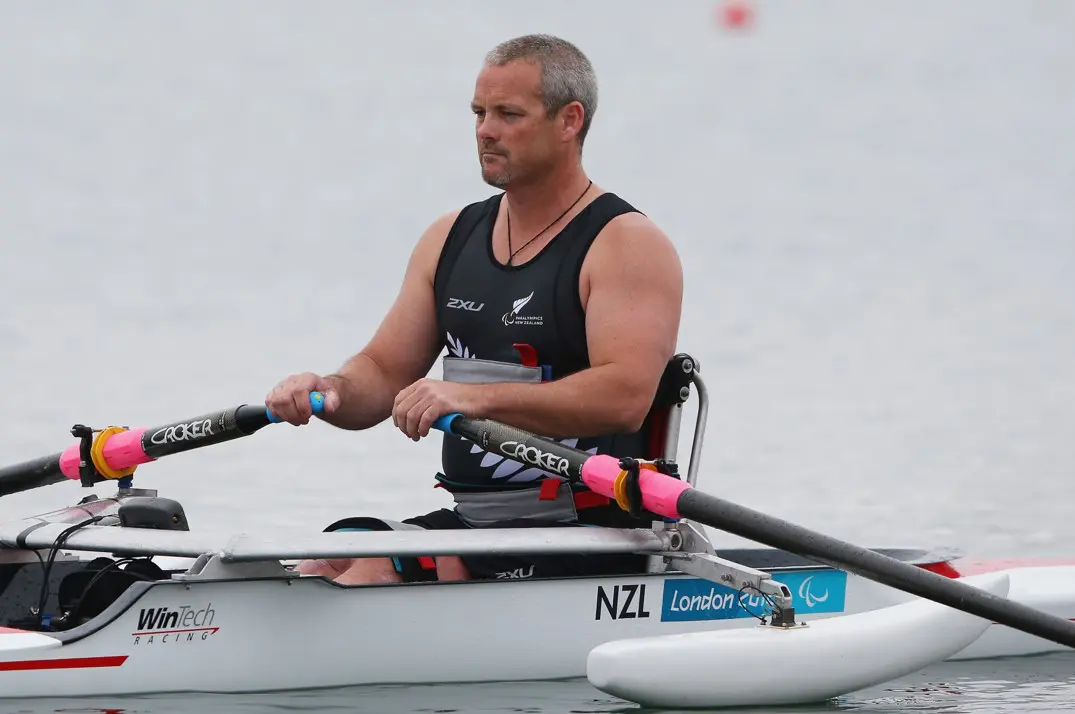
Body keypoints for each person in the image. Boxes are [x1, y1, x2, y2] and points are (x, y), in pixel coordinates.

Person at [265, 34, 683, 585]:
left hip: (590, 536)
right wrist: (328, 390)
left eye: (508, 114)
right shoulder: (451, 238)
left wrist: (470, 398)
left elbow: (625, 396)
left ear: (569, 121)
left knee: (367, 574)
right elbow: (385, 372)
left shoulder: (625, 245)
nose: (485, 130)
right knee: (324, 559)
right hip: (474, 526)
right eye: (479, 113)